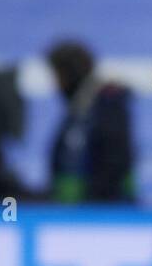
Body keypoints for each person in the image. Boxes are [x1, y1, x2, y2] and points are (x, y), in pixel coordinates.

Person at [47, 41, 135, 203]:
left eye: (57, 76)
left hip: (102, 212)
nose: (55, 85)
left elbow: (114, 166)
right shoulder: (81, 108)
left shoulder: (106, 106)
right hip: (78, 209)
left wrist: (92, 201)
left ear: (67, 74)